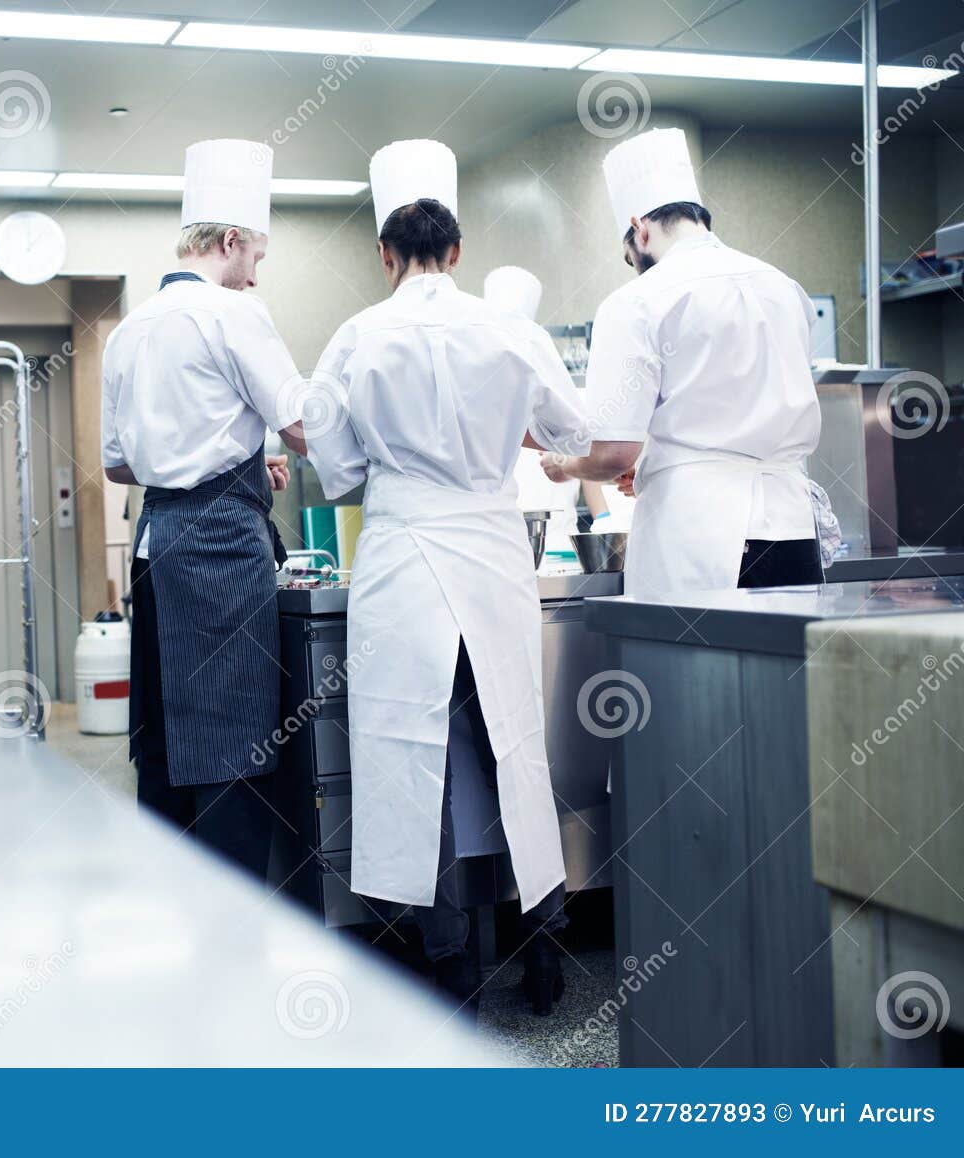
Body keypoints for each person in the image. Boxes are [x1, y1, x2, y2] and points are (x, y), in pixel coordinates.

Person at [305, 140, 591, 1016]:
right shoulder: (509, 329)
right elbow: (575, 436)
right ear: (458, 251)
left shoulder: (357, 335)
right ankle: (544, 947)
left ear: (385, 254)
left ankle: (452, 967)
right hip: (492, 549)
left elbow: (337, 465)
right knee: (515, 749)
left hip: (401, 556)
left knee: (404, 757)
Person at [101, 138, 306, 881]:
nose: (259, 269)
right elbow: (306, 423)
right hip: (221, 551)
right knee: (233, 736)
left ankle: (173, 902)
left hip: (157, 544)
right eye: (257, 251)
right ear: (228, 241)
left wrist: (226, 456)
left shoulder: (131, 329)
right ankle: (236, 929)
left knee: (163, 737)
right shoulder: (232, 314)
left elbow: (121, 462)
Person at [541, 127, 822, 596]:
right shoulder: (783, 286)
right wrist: (660, 460)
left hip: (701, 536)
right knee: (787, 666)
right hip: (792, 528)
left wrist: (566, 465)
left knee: (696, 668)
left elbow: (612, 455)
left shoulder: (636, 301)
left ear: (641, 228)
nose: (632, 265)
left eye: (629, 255)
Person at [484, 266, 582, 556]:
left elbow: (582, 439)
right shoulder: (476, 393)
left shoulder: (553, 389)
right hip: (494, 540)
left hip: (558, 542)